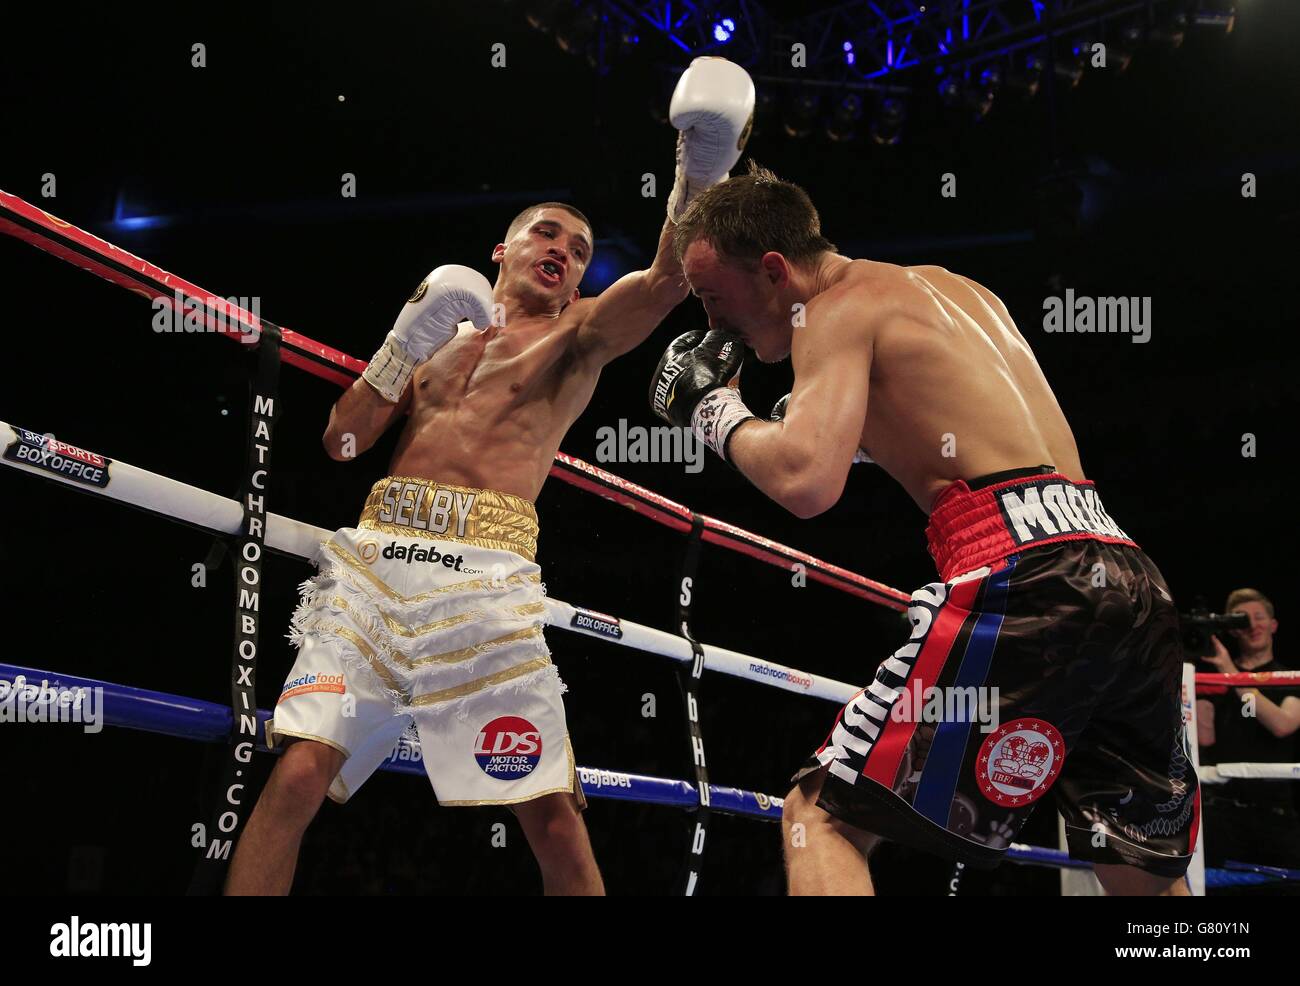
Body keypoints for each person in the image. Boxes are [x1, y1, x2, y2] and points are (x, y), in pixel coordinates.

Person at [224, 57, 755, 895]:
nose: (565, 253)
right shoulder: (439, 337)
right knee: (294, 776)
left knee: (550, 813)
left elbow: (663, 281)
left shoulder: (579, 335)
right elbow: (342, 444)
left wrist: (704, 164)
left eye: (579, 250)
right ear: (503, 249)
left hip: (486, 574)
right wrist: (401, 348)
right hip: (377, 561)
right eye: (548, 235)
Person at [649, 162, 1198, 895]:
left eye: (715, 298)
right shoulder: (955, 290)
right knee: (1135, 863)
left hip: (1024, 574)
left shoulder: (833, 309)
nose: (714, 324)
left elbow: (806, 481)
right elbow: (947, 433)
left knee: (820, 817)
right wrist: (787, 421)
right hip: (1124, 572)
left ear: (775, 269)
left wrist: (712, 411)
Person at [1197, 588, 1300, 886]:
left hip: (1274, 818)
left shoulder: (1289, 678)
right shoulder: (1213, 678)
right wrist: (1192, 695)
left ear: (1273, 625)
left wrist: (1232, 675)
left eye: (1259, 617)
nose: (1252, 626)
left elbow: (1283, 724)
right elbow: (1205, 742)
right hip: (1223, 815)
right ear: (1232, 630)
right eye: (1243, 620)